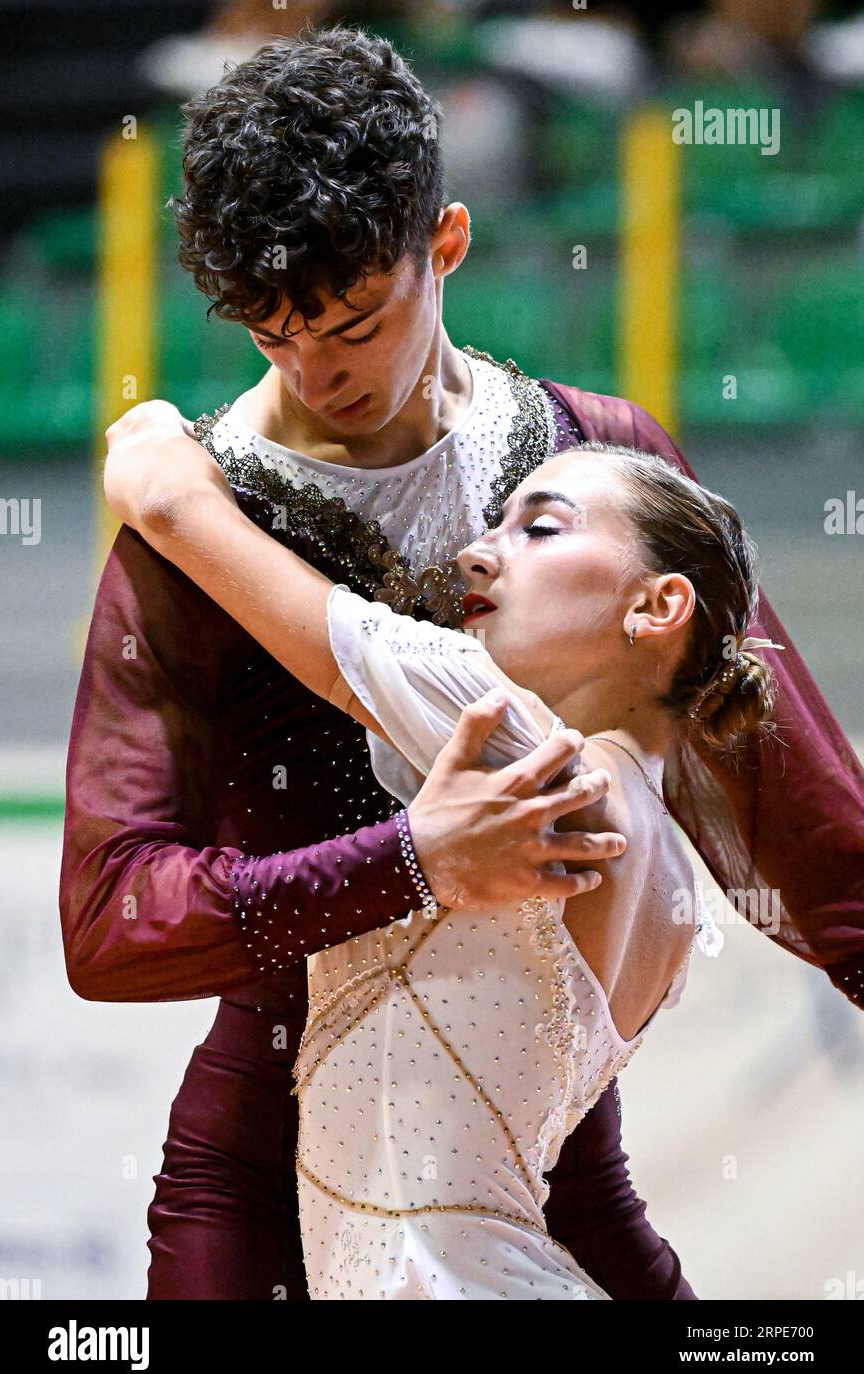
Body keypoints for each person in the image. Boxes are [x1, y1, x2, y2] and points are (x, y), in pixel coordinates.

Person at [62, 24, 864, 1303]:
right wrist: (408, 864)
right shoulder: (193, 537)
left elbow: (814, 835)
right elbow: (110, 926)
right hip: (259, 1184)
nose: (317, 375)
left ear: (446, 240)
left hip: (551, 1173)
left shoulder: (594, 465)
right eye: (272, 336)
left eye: (354, 324)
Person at [104, 425, 798, 1297]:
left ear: (656, 607)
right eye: (493, 525)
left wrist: (155, 430)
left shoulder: (518, 746)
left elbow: (169, 506)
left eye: (538, 529)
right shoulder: (672, 881)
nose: (476, 554)